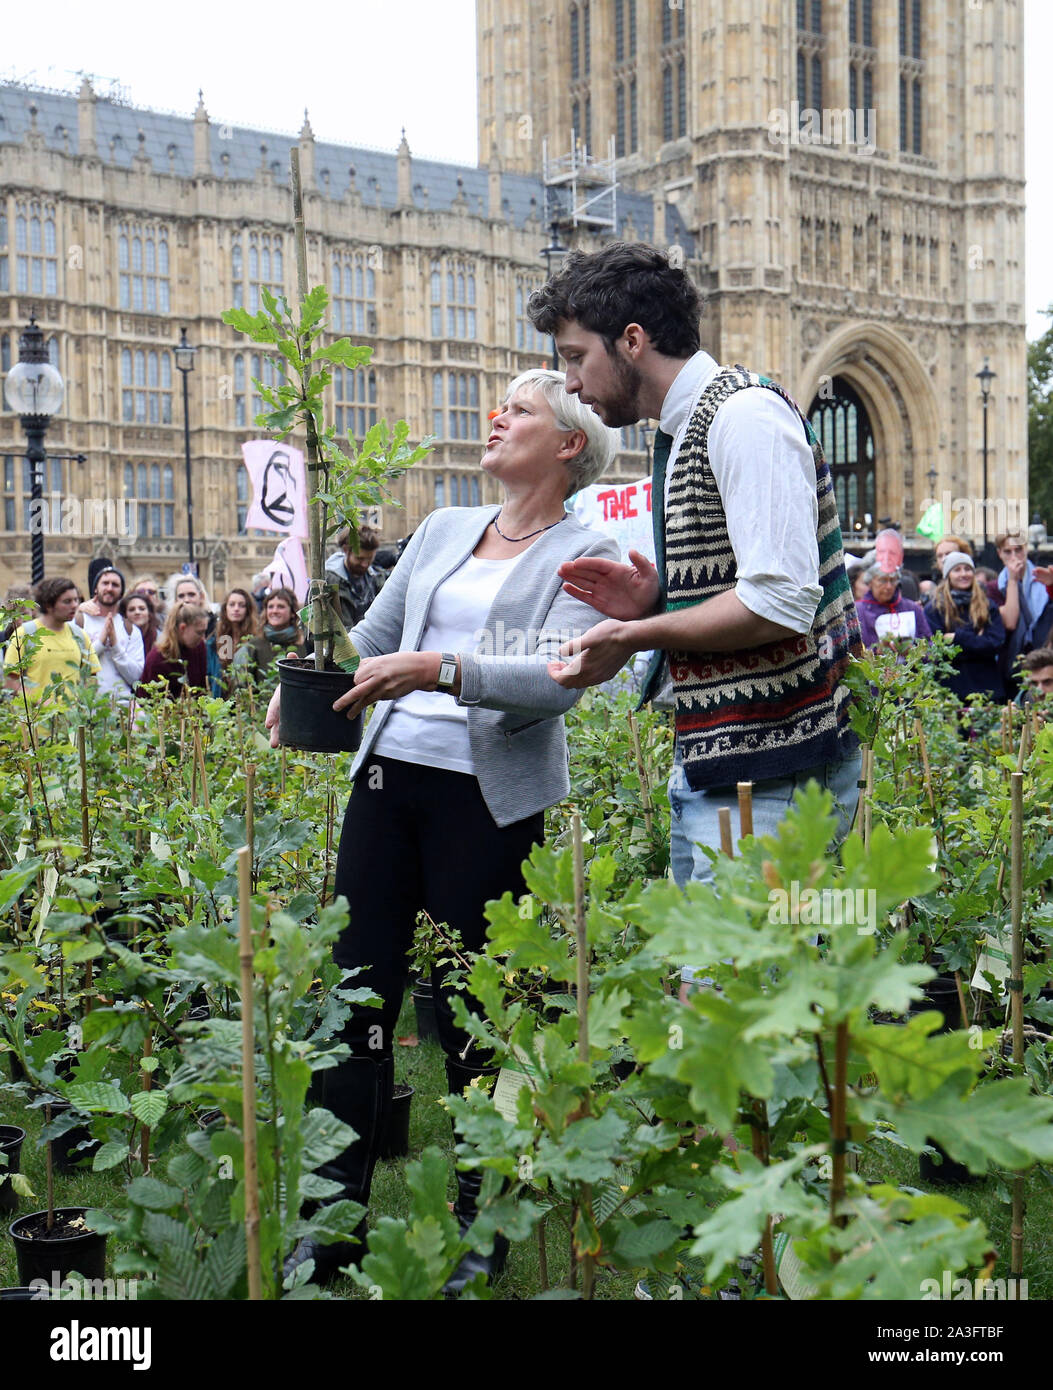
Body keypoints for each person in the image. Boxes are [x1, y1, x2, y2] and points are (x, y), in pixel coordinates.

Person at [267, 368, 620, 1291]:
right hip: (386, 784)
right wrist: (299, 683)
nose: (497, 418)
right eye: (498, 406)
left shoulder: (589, 552)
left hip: (487, 801)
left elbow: (557, 676)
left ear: (569, 443)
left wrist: (439, 670)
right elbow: (370, 638)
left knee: (479, 1016)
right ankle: (329, 1221)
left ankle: (481, 1219)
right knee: (354, 1002)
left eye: (522, 411)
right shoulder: (441, 529)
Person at [528, 242, 862, 893]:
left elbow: (779, 604)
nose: (569, 382)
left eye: (575, 357)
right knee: (707, 987)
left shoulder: (743, 417)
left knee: (754, 987)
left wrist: (633, 636)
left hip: (777, 771)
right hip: (729, 764)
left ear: (631, 340)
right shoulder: (687, 427)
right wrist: (659, 603)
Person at [4, 577, 99, 708]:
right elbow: (11, 681)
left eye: (76, 600)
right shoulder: (24, 634)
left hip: (72, 724)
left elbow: (92, 675)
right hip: (36, 723)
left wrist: (82, 701)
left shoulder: (80, 635)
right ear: (48, 605)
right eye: (67, 601)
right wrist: (43, 702)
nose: (74, 605)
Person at [922, 551, 1006, 702]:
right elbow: (936, 650)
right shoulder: (934, 608)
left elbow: (995, 643)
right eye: (957, 569)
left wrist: (956, 637)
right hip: (949, 690)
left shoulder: (987, 605)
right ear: (948, 574)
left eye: (967, 569)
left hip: (986, 688)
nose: (963, 574)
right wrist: (976, 640)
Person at [75, 565, 144, 706]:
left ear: (121, 592)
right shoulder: (79, 621)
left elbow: (136, 677)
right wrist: (100, 642)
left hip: (122, 707)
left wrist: (115, 645)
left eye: (115, 585)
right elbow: (74, 666)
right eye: (105, 583)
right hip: (86, 707)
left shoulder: (131, 629)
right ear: (96, 588)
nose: (110, 588)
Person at [136, 602, 210, 699]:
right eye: (199, 632)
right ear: (182, 628)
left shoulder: (199, 647)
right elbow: (153, 701)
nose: (203, 638)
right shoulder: (158, 659)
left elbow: (201, 690)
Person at [234, 587, 307, 685]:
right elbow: (242, 688)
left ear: (293, 613)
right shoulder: (253, 647)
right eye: (270, 606)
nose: (274, 611)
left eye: (281, 606)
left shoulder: (304, 644)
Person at [855, 564, 933, 648]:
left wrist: (912, 651)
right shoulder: (857, 611)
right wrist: (877, 651)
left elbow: (930, 649)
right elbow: (853, 654)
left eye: (892, 581)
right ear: (870, 582)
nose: (889, 586)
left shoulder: (912, 608)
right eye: (883, 580)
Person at [325, 524, 385, 629]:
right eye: (360, 558)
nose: (365, 564)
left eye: (370, 558)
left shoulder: (377, 579)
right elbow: (313, 628)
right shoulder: (327, 582)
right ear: (345, 550)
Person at [207, 588, 261, 695]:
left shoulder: (254, 639)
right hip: (222, 697)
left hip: (247, 696)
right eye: (232, 604)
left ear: (248, 609)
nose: (236, 609)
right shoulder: (219, 637)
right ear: (225, 608)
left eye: (241, 605)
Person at [867, 528, 920, 600]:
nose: (886, 557)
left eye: (892, 553)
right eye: (882, 551)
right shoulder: (864, 582)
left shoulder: (907, 585)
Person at [119, 592, 159, 658]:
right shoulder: (119, 637)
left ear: (149, 613)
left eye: (142, 609)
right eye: (132, 610)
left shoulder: (161, 639)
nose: (137, 612)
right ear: (125, 615)